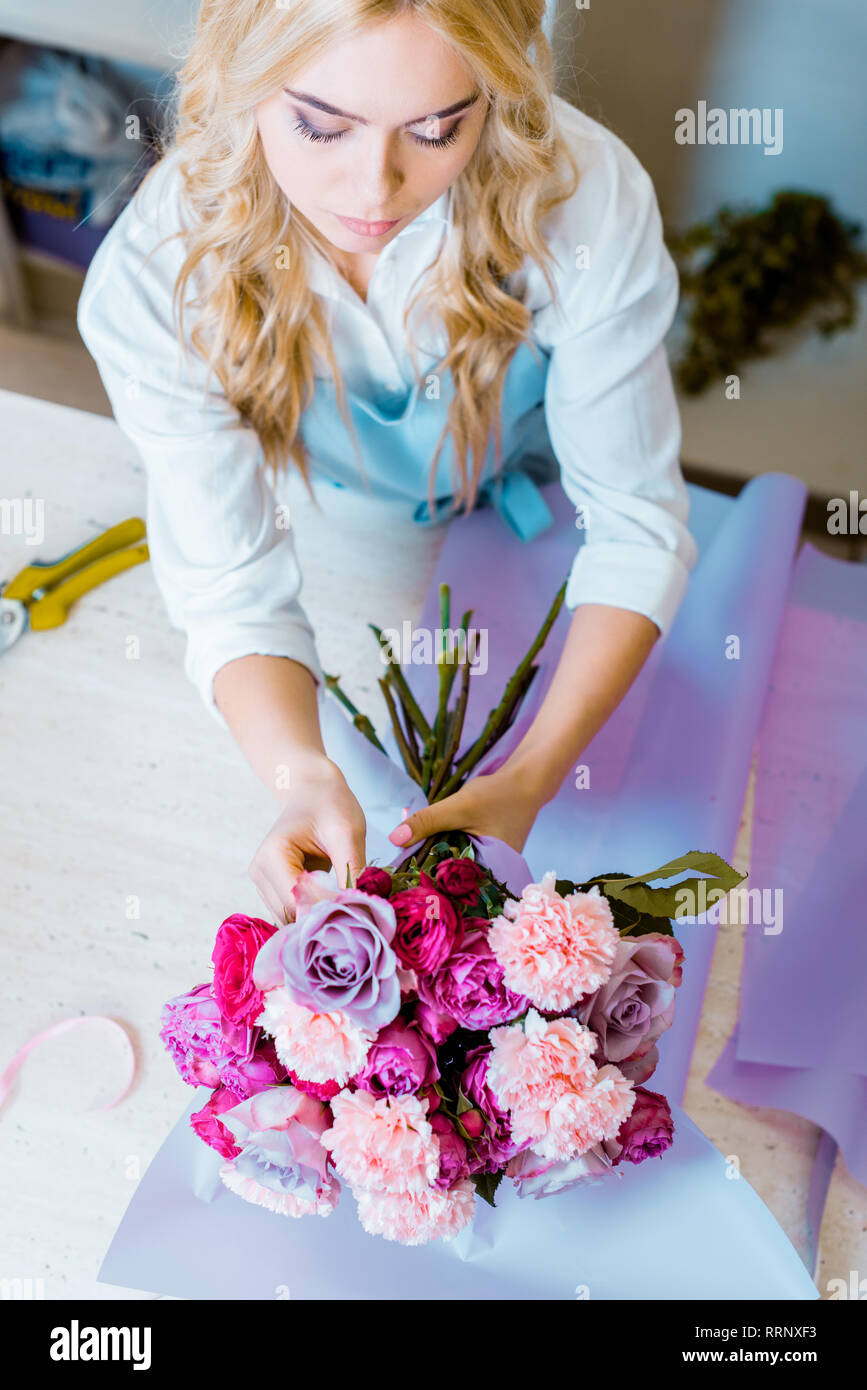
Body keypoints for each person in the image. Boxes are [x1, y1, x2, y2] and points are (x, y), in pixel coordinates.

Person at [77, 0, 697, 923]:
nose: (375, 189)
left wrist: (529, 777)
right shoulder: (157, 275)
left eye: (438, 128)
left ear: (500, 90)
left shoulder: (585, 196)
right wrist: (298, 777)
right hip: (331, 527)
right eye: (320, 126)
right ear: (240, 73)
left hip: (525, 496)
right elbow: (229, 592)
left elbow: (636, 524)